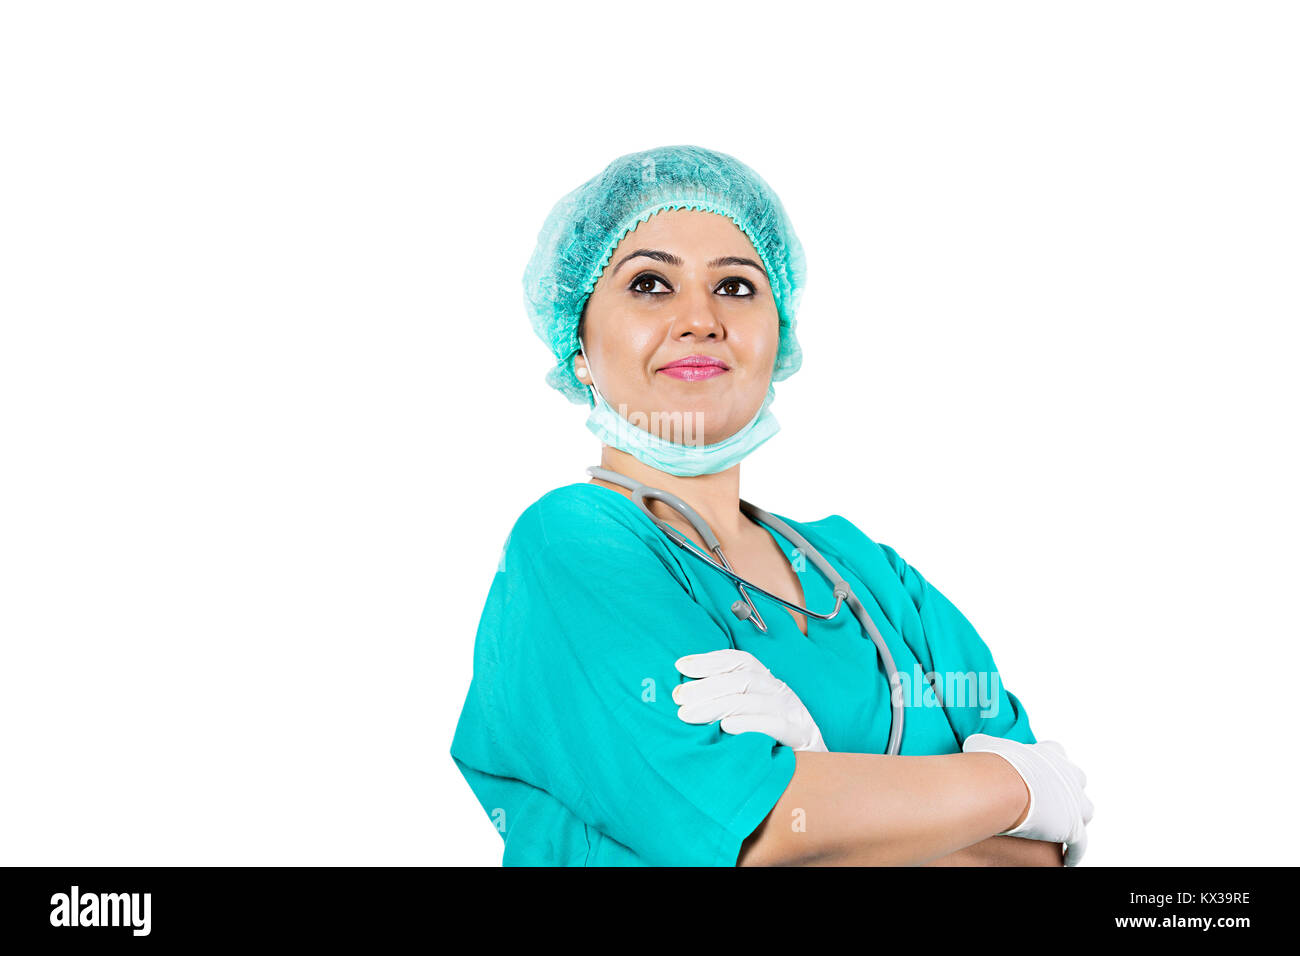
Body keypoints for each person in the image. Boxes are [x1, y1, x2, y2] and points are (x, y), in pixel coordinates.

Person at [449, 144, 1094, 866]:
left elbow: (1039, 855)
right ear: (577, 344)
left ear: (779, 331)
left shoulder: (870, 574)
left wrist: (817, 798)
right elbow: (752, 836)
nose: (699, 319)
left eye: (735, 288)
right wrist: (1017, 789)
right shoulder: (570, 546)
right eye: (651, 284)